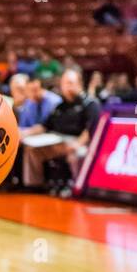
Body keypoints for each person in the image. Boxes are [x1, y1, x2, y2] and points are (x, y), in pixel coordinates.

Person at [22, 67, 101, 195]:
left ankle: (77, 188)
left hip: (79, 142)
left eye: (70, 83)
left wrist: (77, 144)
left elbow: (92, 129)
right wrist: (25, 133)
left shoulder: (90, 104)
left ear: (79, 84)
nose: (66, 87)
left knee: (76, 154)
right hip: (57, 141)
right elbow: (45, 126)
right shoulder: (60, 106)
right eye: (64, 83)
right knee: (32, 149)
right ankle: (34, 185)